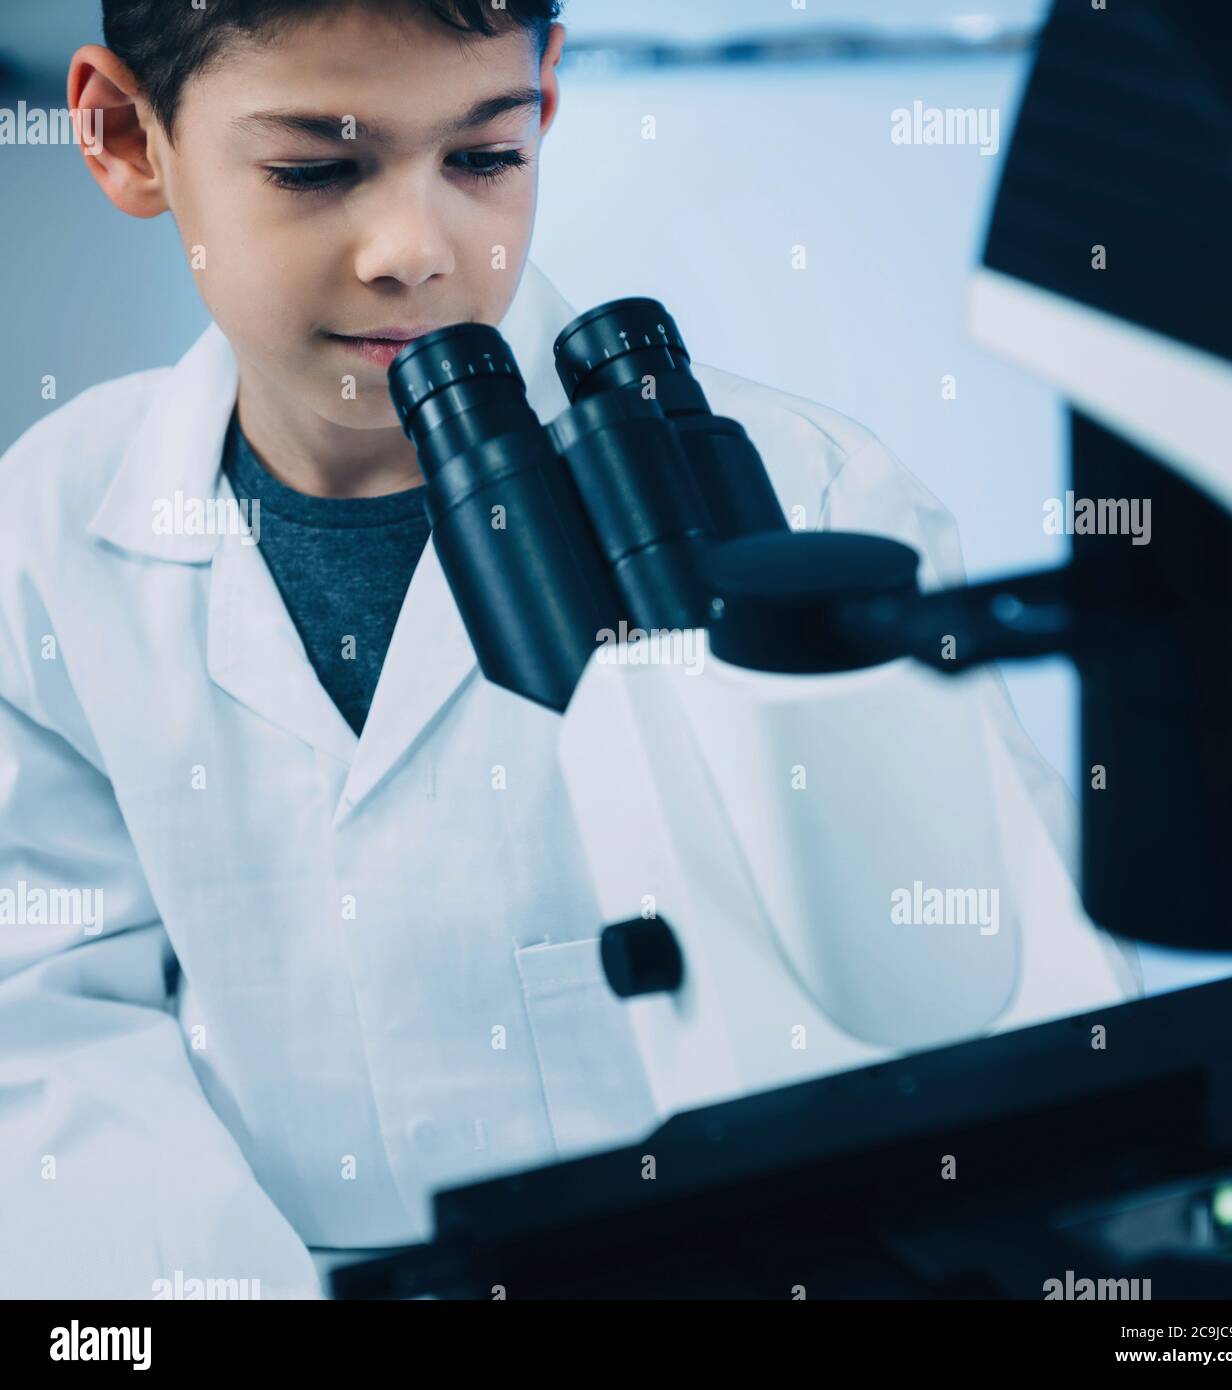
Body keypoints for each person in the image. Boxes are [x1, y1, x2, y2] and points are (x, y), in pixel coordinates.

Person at [0, 0, 1138, 1298]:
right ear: (120, 135)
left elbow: (1028, 1005)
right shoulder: (47, 531)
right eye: (317, 168)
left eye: (483, 157)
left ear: (544, 97)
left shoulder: (801, 501)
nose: (414, 250)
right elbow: (46, 1026)